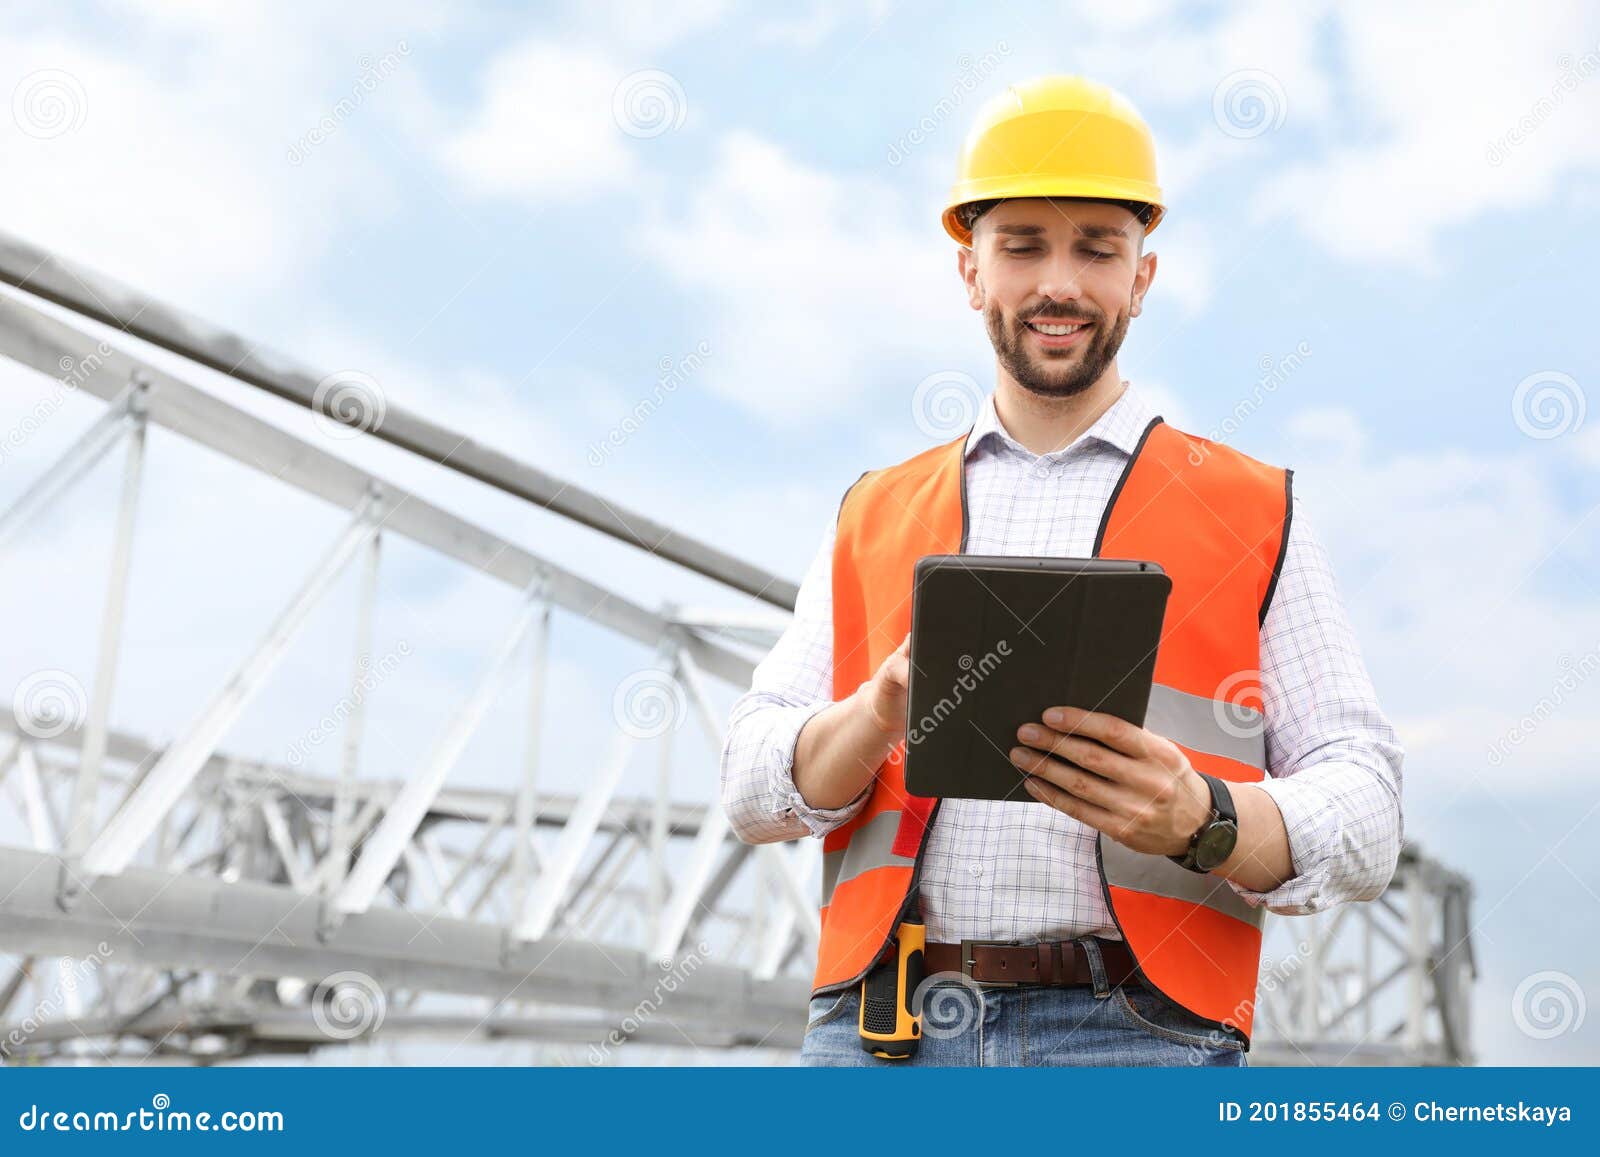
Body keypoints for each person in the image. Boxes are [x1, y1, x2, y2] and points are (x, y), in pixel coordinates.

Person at [719, 75, 1404, 1067]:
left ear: (1142, 276)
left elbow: (1369, 809)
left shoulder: (1252, 509)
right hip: (881, 1030)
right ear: (968, 269)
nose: (1059, 283)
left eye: (1096, 247)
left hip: (1133, 1037)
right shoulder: (872, 510)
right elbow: (751, 788)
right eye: (1022, 244)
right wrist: (873, 713)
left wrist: (1201, 816)